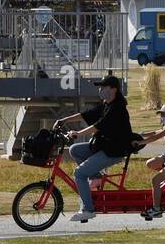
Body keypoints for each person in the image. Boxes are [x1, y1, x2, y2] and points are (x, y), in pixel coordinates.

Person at [56, 74, 135, 222]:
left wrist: (78, 133)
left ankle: (88, 209)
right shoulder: (106, 104)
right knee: (75, 150)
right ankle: (96, 177)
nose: (100, 90)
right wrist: (64, 120)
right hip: (104, 146)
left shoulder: (117, 108)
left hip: (113, 151)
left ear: (114, 89)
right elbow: (87, 115)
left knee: (79, 174)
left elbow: (98, 126)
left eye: (103, 87)